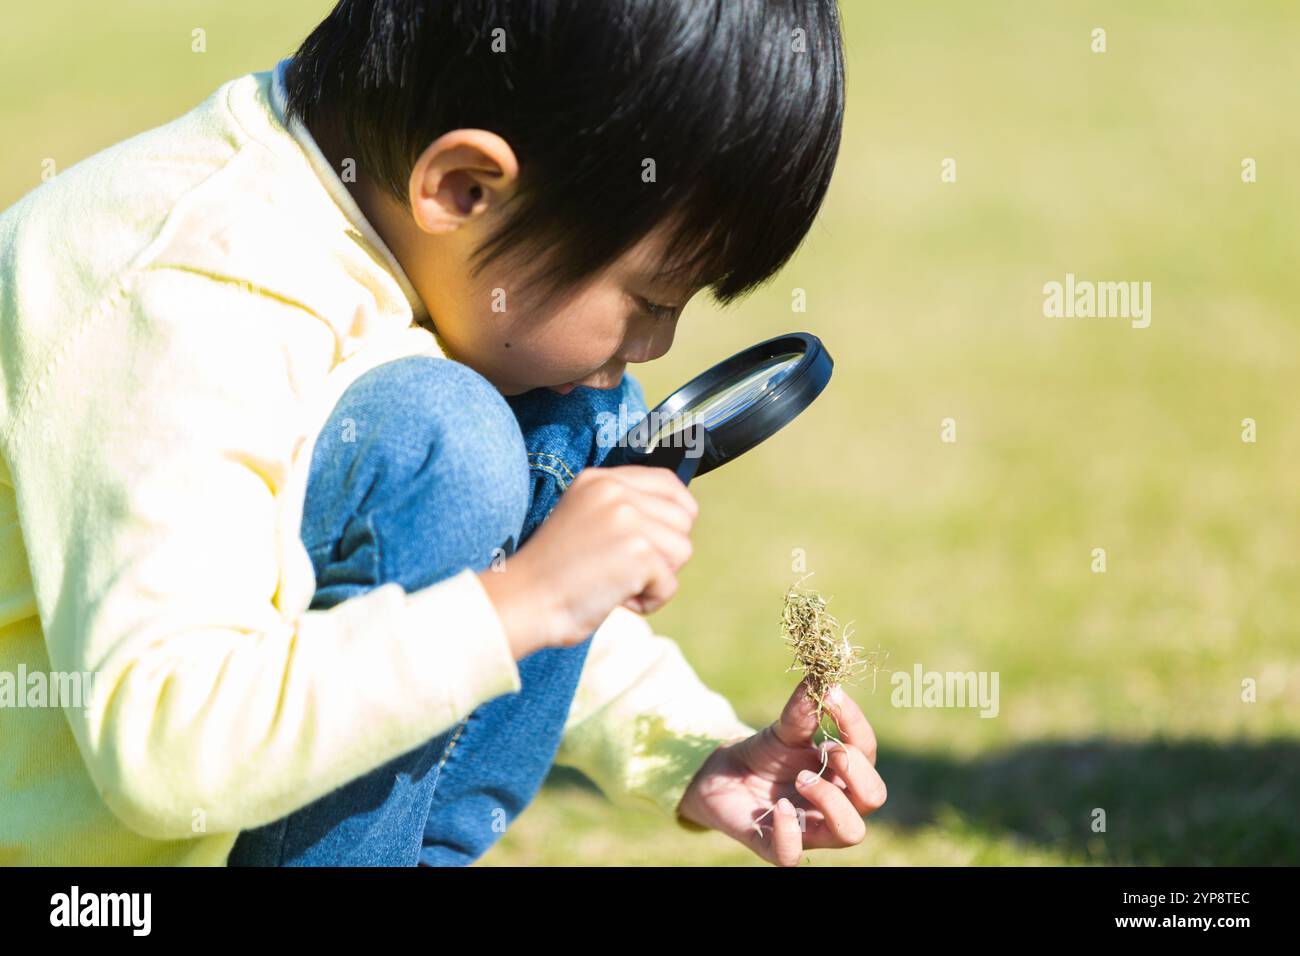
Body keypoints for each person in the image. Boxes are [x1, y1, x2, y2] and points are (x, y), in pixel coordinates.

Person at [0, 0, 885, 867]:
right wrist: (528, 598)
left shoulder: (380, 234)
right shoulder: (183, 299)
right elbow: (165, 749)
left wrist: (696, 752)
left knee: (565, 417)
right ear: (462, 188)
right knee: (447, 436)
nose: (656, 344)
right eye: (650, 300)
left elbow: (467, 597)